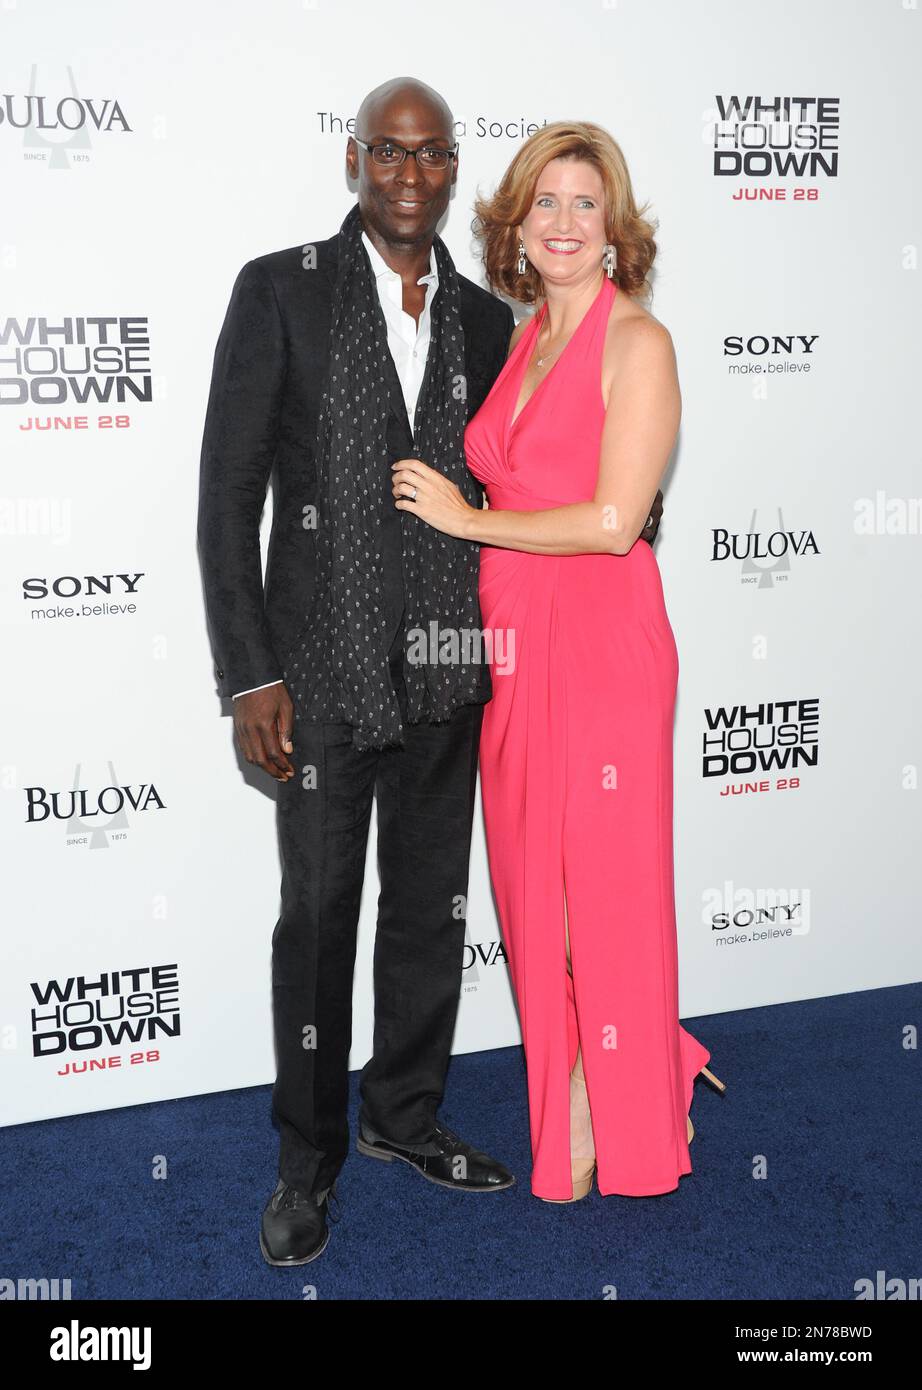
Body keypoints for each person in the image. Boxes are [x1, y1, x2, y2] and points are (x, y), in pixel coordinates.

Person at [391, 121, 724, 1204]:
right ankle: (627, 1072)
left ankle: (611, 1108)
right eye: (546, 202)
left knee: (604, 895)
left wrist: (467, 518)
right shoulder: (520, 336)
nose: (565, 222)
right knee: (536, 892)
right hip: (514, 638)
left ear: (614, 227)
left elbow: (616, 520)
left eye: (586, 203)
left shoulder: (640, 344)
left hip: (601, 635)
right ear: (517, 224)